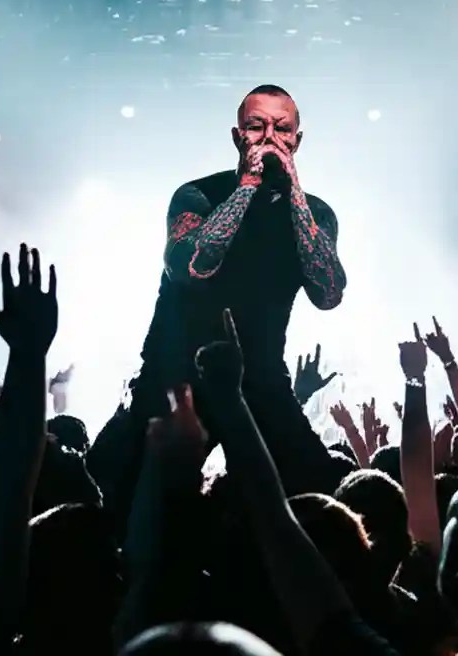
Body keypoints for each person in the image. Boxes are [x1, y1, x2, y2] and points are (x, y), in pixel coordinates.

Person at [126, 84, 347, 496]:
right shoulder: (197, 196)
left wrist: (293, 191)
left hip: (260, 379)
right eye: (256, 126)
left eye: (282, 129)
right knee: (123, 490)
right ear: (236, 136)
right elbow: (188, 269)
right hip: (175, 378)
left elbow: (329, 293)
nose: (269, 138)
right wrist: (246, 186)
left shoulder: (316, 213)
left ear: (297, 141)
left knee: (320, 494)